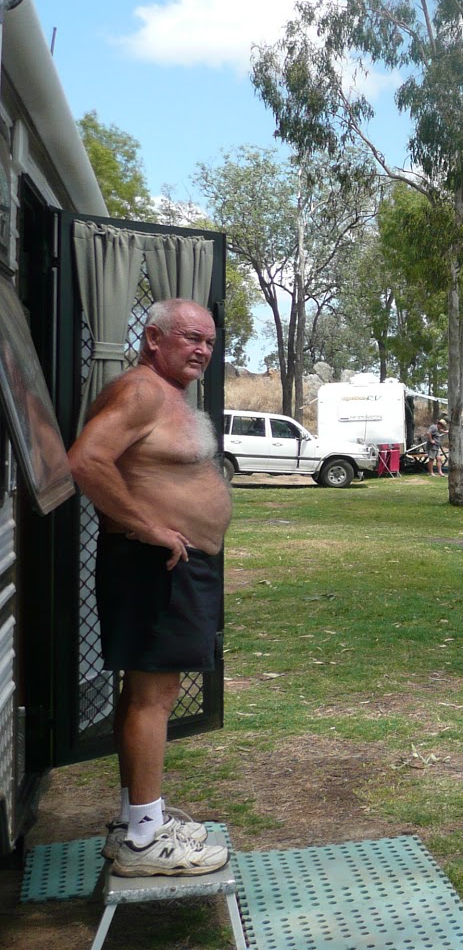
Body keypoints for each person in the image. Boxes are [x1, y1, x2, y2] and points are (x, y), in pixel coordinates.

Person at [66, 298, 231, 877]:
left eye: (208, 342)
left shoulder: (166, 395)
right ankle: (143, 840)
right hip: (153, 565)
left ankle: (134, 818)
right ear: (153, 338)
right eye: (190, 338)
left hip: (175, 564)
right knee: (152, 698)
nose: (202, 350)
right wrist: (149, 527)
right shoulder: (139, 391)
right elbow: (87, 460)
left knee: (144, 693)